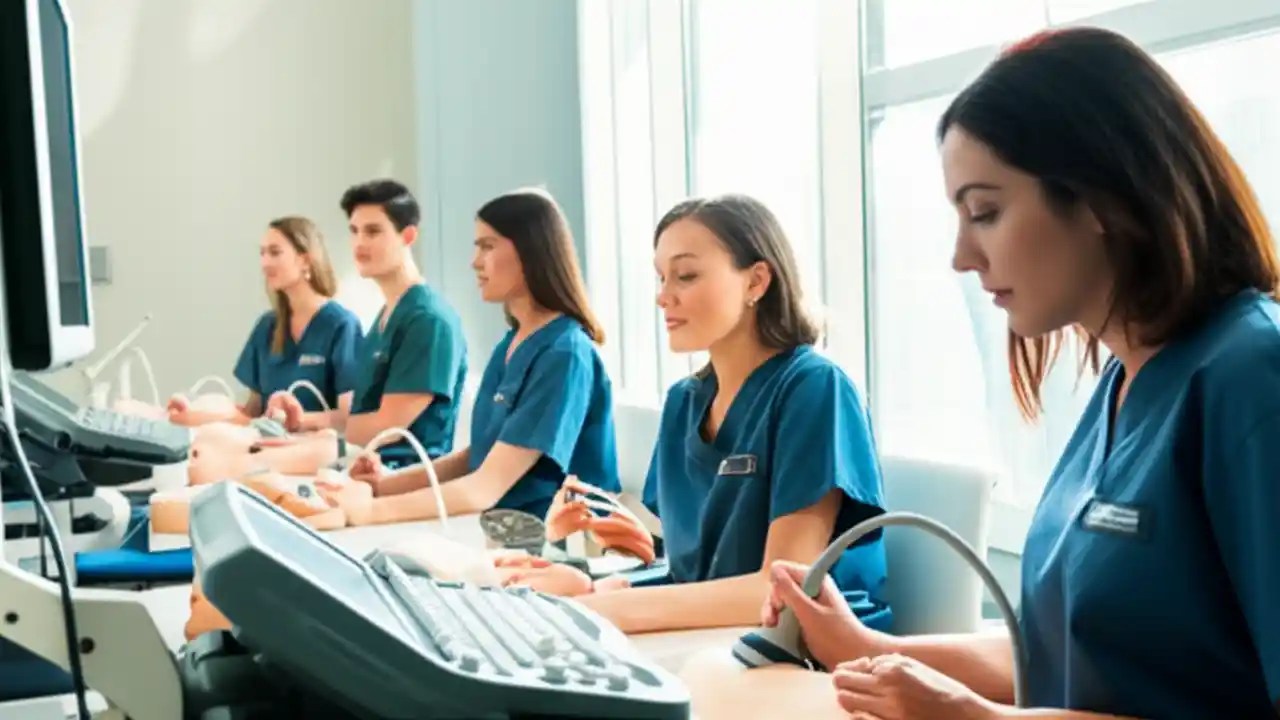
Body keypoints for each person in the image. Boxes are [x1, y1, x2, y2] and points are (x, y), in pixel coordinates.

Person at [705, 27, 1280, 720]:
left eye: (986, 212)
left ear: (1105, 197)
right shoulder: (1123, 388)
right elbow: (1064, 657)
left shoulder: (1251, 378)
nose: (961, 256)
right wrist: (860, 646)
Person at [556, 194, 891, 636]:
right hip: (713, 635)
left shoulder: (813, 388)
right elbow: (694, 572)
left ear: (756, 282)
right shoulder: (683, 402)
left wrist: (607, 608)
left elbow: (780, 588)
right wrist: (593, 582)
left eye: (686, 275)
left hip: (803, 647)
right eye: (660, 277)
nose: (662, 297)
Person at [346, 188, 620, 525]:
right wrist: (383, 486)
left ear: (531, 251)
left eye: (488, 246)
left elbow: (484, 488)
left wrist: (368, 511)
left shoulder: (564, 354)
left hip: (552, 548)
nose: (475, 262)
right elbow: (479, 456)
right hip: (501, 528)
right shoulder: (513, 343)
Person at [269, 180, 468, 464]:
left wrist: (315, 439)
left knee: (251, 464)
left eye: (373, 231)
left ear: (408, 236)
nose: (360, 243)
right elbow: (363, 416)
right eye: (354, 231)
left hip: (399, 475)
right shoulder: (387, 316)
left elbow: (388, 427)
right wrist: (301, 422)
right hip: (360, 463)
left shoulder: (428, 321)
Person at [164, 217, 362, 427]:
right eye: (262, 253)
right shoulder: (267, 327)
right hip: (266, 447)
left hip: (315, 451)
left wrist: (297, 420)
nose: (265, 263)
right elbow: (253, 414)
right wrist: (197, 414)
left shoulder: (341, 326)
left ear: (304, 260)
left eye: (275, 252)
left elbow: (348, 417)